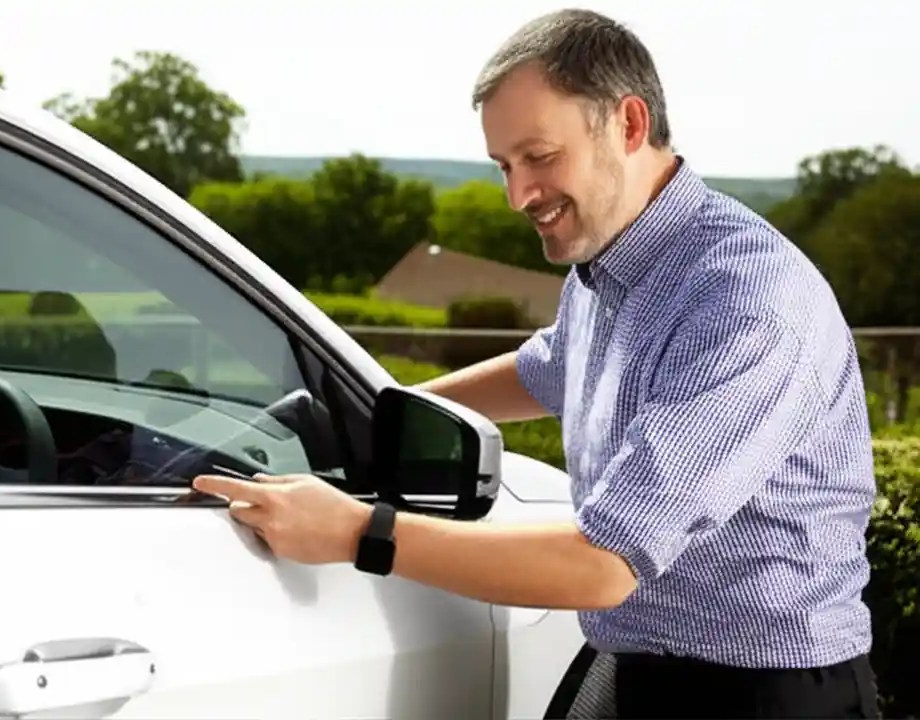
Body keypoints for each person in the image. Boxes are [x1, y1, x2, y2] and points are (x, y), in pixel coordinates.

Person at [192, 8, 881, 719]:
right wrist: (371, 411)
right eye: (504, 167)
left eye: (540, 158)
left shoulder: (746, 303)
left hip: (761, 695)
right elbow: (546, 366)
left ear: (629, 125)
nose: (519, 195)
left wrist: (357, 533)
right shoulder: (612, 259)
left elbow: (601, 564)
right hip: (628, 661)